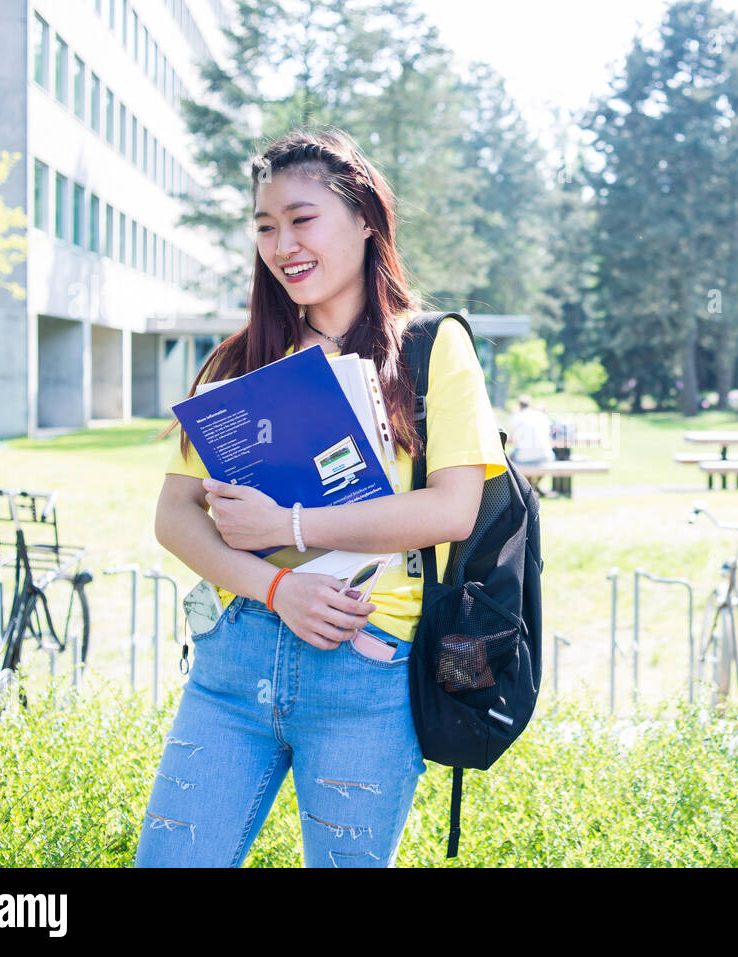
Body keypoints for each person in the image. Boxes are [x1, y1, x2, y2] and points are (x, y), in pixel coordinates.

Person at [135, 128, 506, 868]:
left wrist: (289, 523)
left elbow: (451, 509)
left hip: (364, 669)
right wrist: (278, 586)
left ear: (366, 218)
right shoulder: (240, 363)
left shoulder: (432, 347)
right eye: (266, 226)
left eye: (303, 219)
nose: (282, 244)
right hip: (233, 660)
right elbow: (175, 515)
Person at [509, 394, 553, 467]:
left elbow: (512, 439)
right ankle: (533, 478)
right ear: (529, 404)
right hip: (544, 456)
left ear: (519, 405)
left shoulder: (517, 416)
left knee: (511, 458)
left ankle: (527, 478)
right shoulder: (541, 415)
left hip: (523, 458)